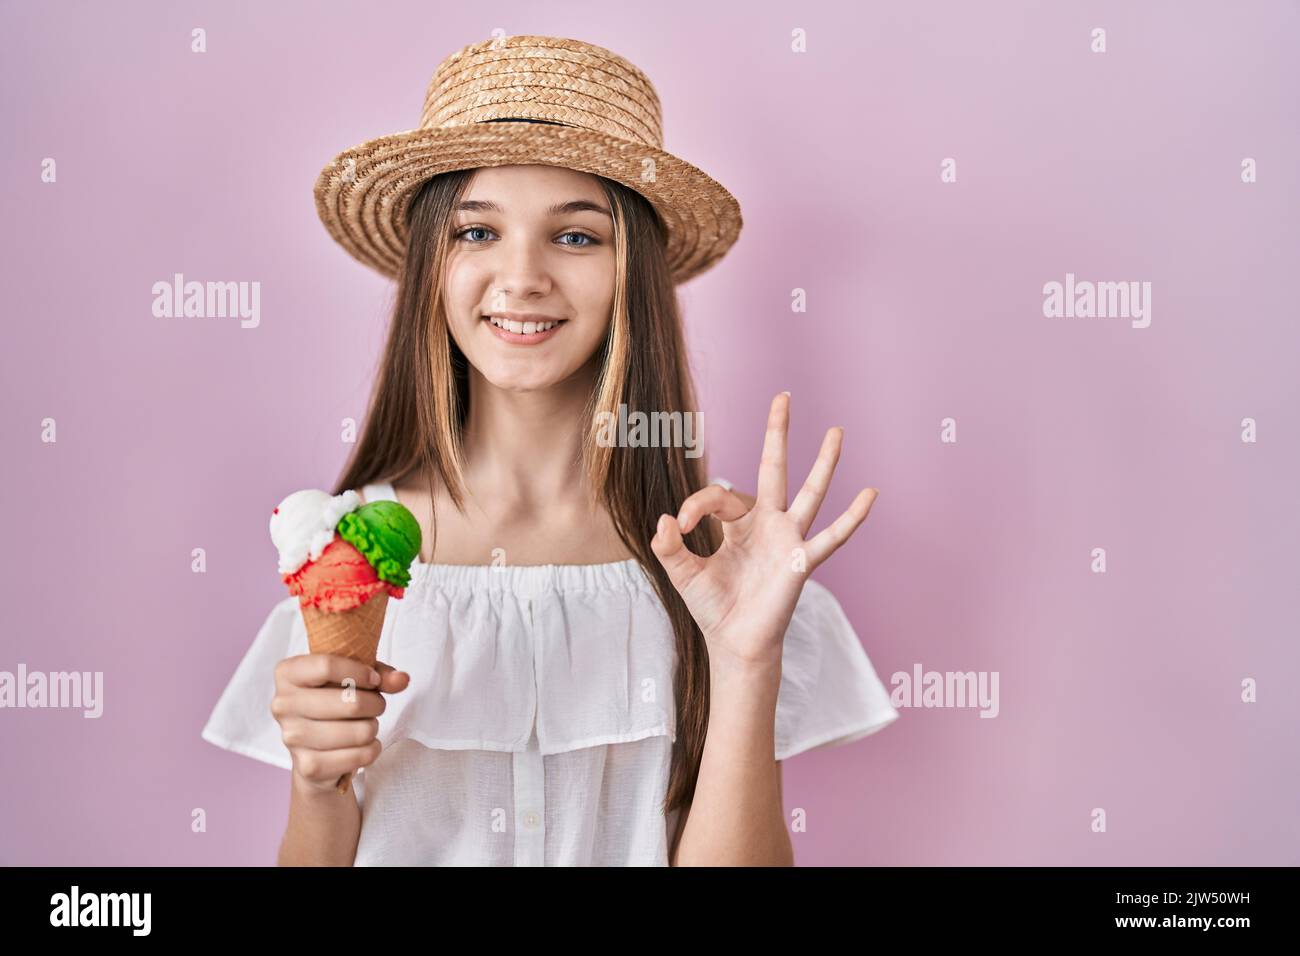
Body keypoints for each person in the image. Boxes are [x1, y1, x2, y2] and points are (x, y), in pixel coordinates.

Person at [202, 34, 899, 866]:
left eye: (576, 238)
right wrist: (318, 785)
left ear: (629, 272)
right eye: (475, 232)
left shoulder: (718, 565)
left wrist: (745, 663)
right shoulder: (351, 559)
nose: (523, 276)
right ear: (431, 264)